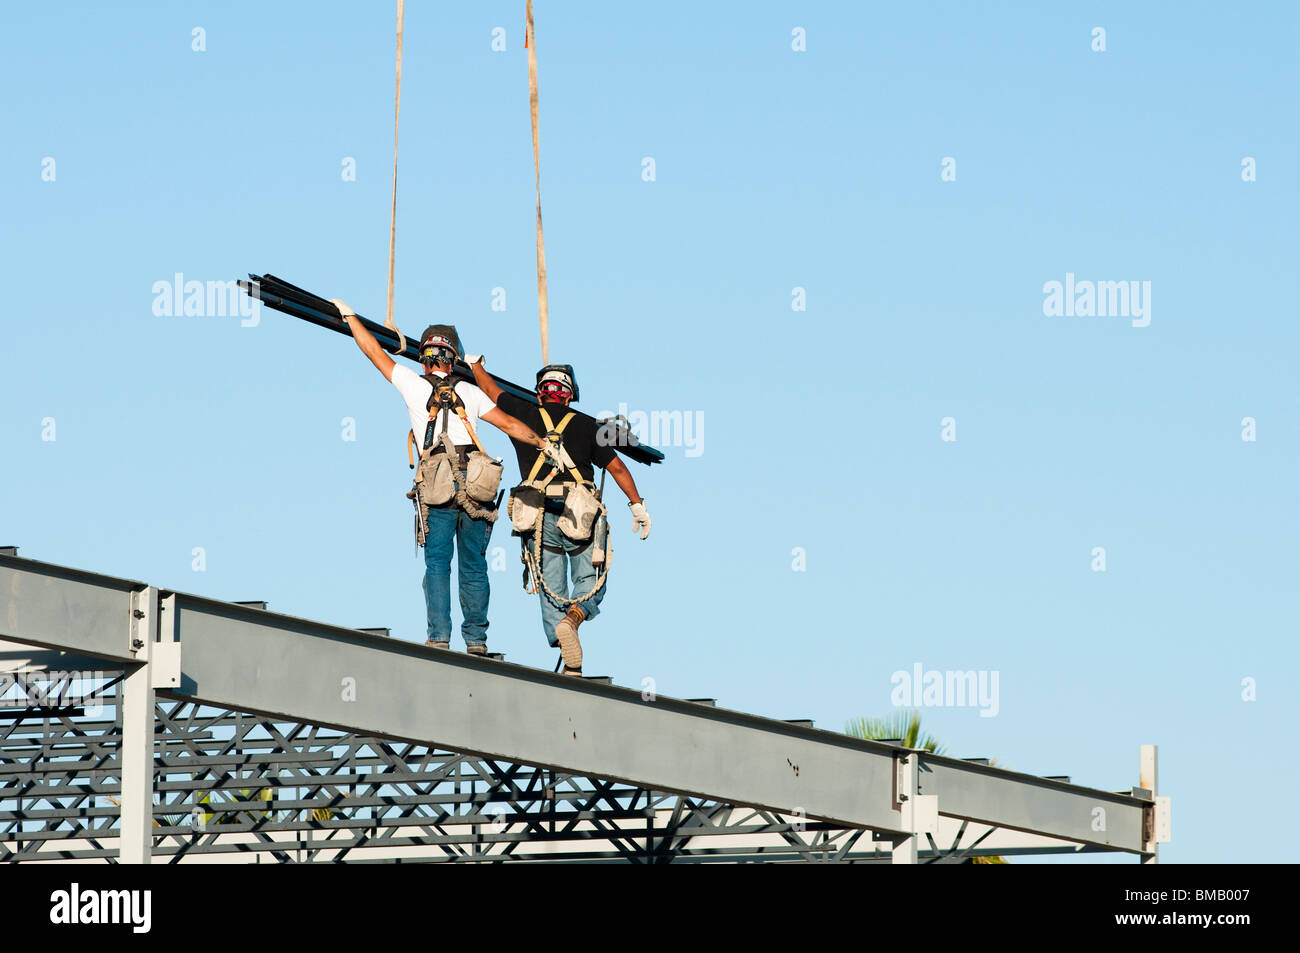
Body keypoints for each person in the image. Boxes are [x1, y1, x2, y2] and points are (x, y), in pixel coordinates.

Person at [331, 299, 563, 655]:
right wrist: (544, 445)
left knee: (438, 563)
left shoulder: (414, 384)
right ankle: (476, 641)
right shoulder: (470, 392)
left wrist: (350, 317)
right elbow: (511, 425)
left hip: (438, 480)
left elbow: (374, 353)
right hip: (476, 483)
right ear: (453, 359)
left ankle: (439, 637)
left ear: (425, 357)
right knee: (474, 565)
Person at [468, 358, 651, 675]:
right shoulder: (587, 427)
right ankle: (574, 620)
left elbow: (489, 389)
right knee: (591, 583)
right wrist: (637, 504)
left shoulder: (522, 412)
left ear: (540, 394)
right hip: (579, 514)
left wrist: (475, 365)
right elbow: (618, 468)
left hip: (538, 515)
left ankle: (569, 659)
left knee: (551, 587)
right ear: (570, 395)